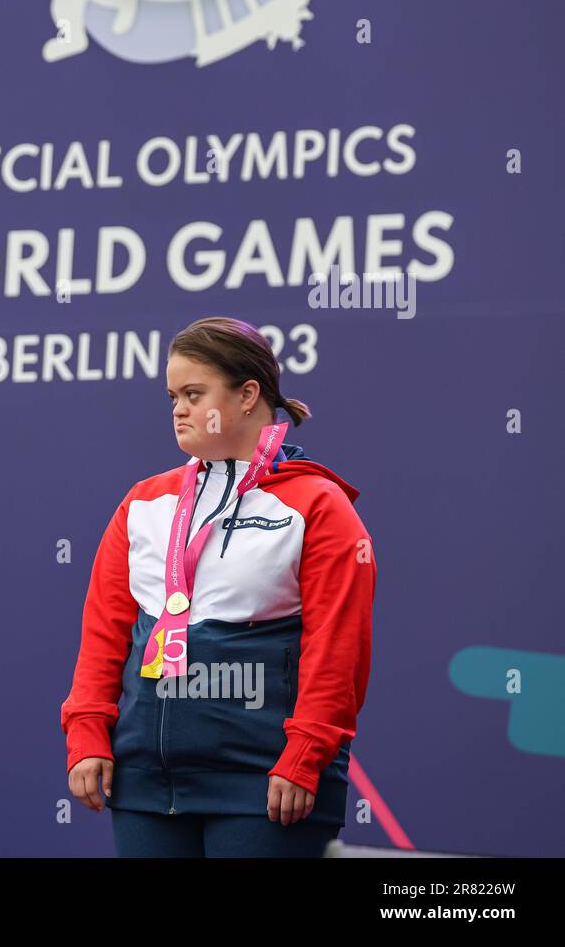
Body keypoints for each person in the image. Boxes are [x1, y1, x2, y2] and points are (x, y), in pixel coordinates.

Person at [61, 316, 374, 857]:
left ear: (248, 395)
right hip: (146, 783)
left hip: (267, 782)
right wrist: (88, 732)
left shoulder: (318, 505)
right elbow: (104, 632)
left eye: (193, 393)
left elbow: (338, 651)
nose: (177, 409)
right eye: (172, 396)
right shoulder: (143, 503)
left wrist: (304, 757)